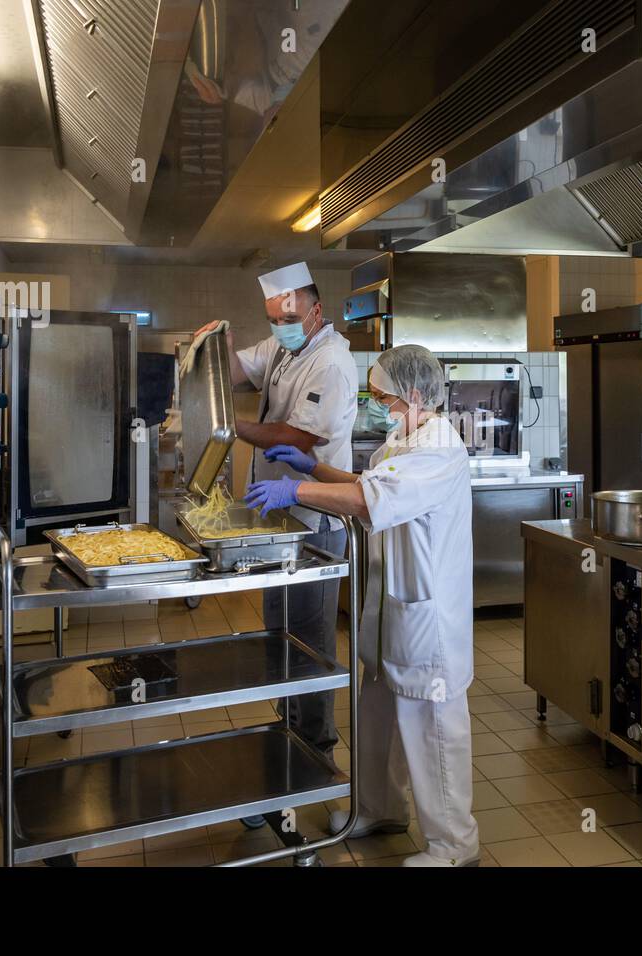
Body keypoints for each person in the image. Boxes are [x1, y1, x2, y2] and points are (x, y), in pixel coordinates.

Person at [245, 345, 480, 867]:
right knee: (377, 716)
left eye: (384, 397)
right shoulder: (404, 437)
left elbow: (366, 503)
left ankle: (454, 846)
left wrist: (297, 489)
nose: (377, 406)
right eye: (373, 397)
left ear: (416, 395)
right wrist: (316, 469)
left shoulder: (438, 448)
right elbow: (366, 486)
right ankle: (380, 808)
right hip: (390, 613)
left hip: (428, 620)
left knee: (432, 728)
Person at [204, 262, 357, 774]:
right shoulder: (284, 347)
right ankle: (289, 741)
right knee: (280, 637)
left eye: (287, 317)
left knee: (310, 645)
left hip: (316, 523)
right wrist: (212, 347)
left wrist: (230, 427)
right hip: (279, 516)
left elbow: (299, 437)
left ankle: (319, 756)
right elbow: (231, 373)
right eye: (272, 318)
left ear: (314, 312)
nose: (279, 327)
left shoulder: (330, 361)